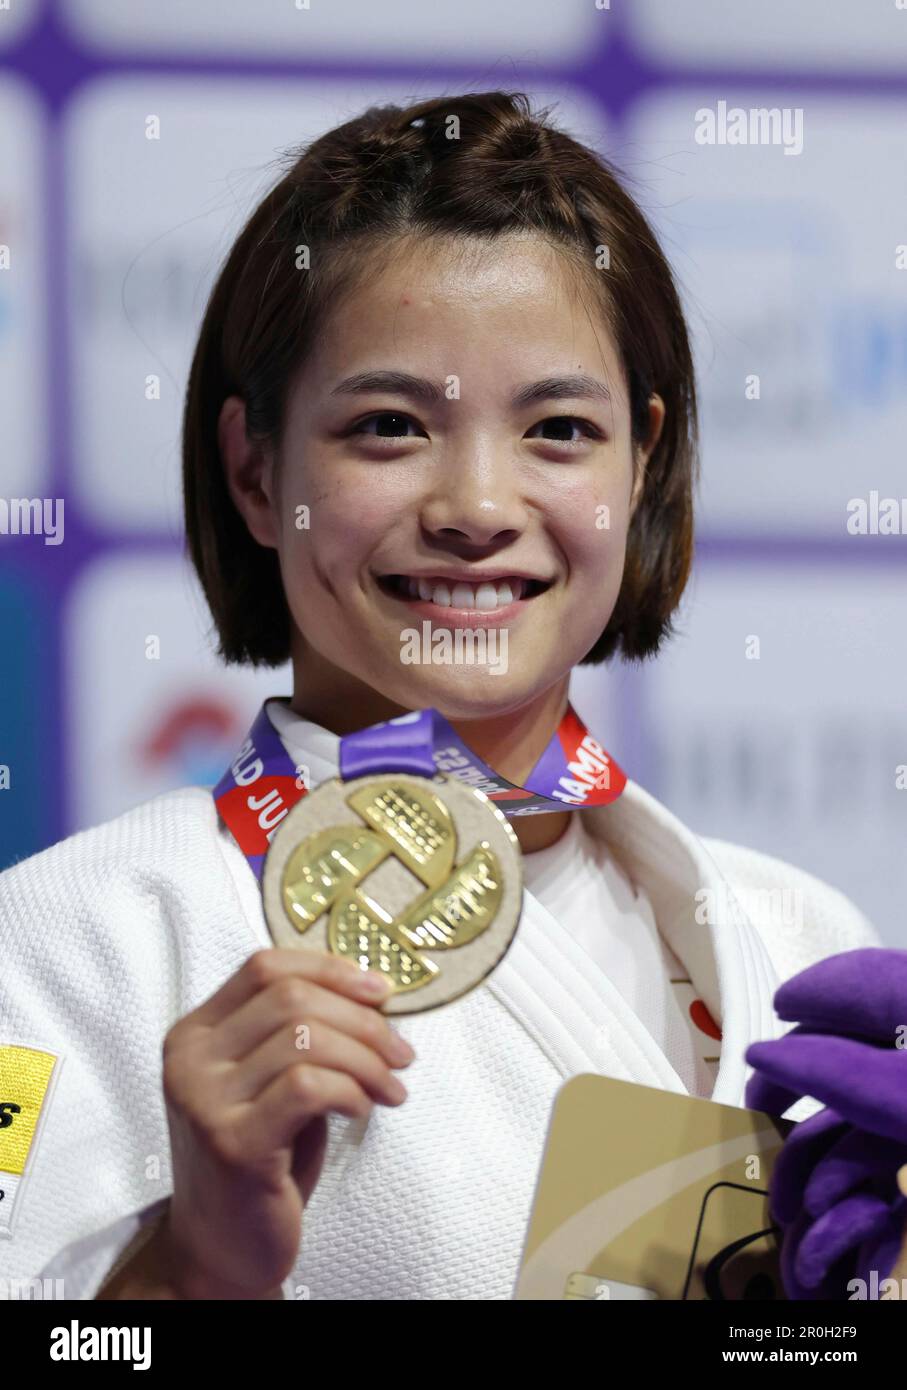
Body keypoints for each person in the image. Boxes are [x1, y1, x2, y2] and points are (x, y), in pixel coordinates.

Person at [0, 90, 882, 1302]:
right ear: (255, 471)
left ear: (644, 464)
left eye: (560, 429)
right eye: (389, 425)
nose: (475, 506)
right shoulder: (75, 941)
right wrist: (189, 1270)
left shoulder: (801, 945)